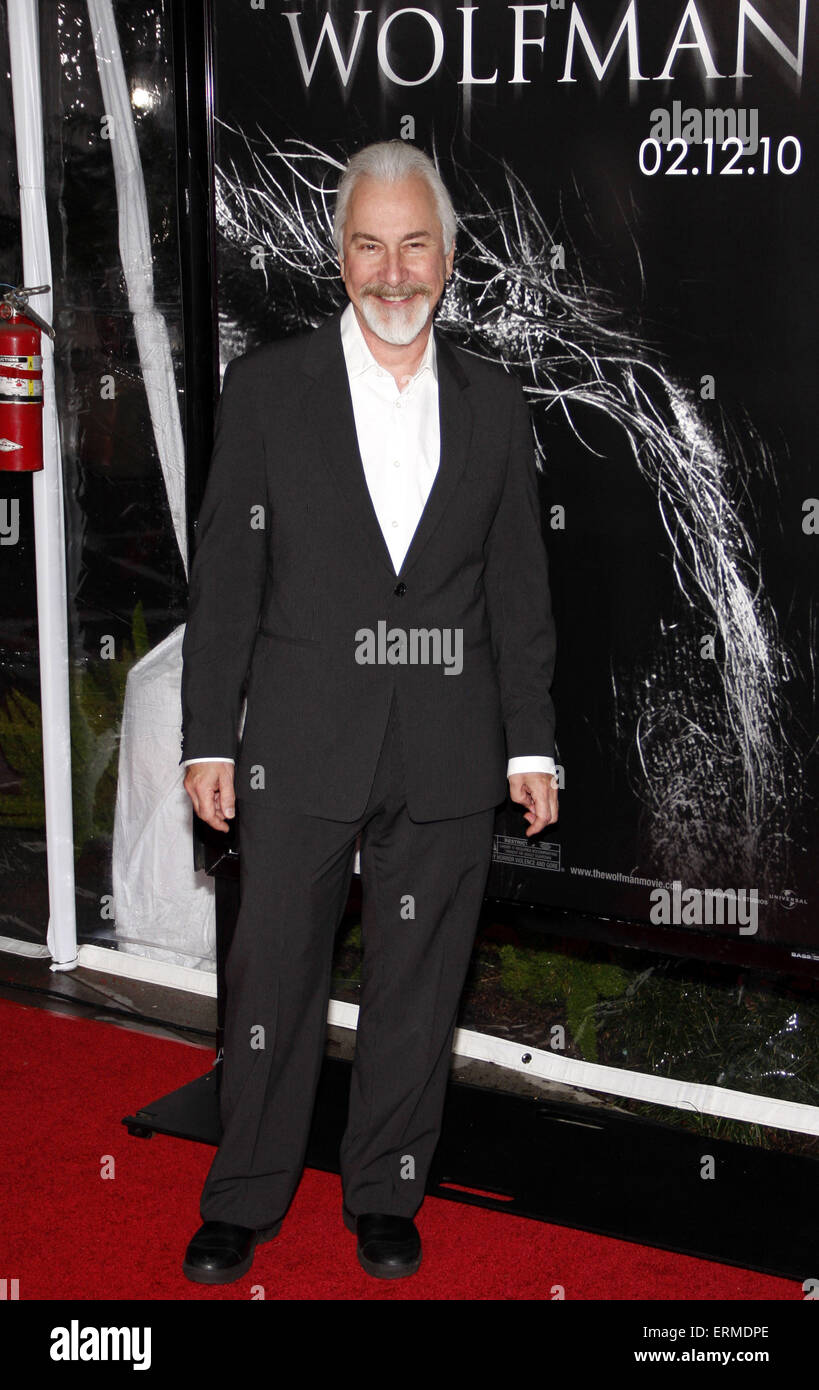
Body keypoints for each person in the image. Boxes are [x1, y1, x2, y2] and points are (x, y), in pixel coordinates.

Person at [178, 139, 558, 1284]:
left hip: (447, 743)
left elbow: (518, 586)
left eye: (415, 246)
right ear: (338, 255)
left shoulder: (495, 403)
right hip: (298, 738)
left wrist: (531, 742)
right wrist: (208, 736)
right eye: (369, 246)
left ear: (448, 256)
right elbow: (226, 580)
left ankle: (387, 1189)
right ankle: (244, 1195)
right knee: (271, 979)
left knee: (420, 982)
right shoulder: (268, 388)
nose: (394, 273)